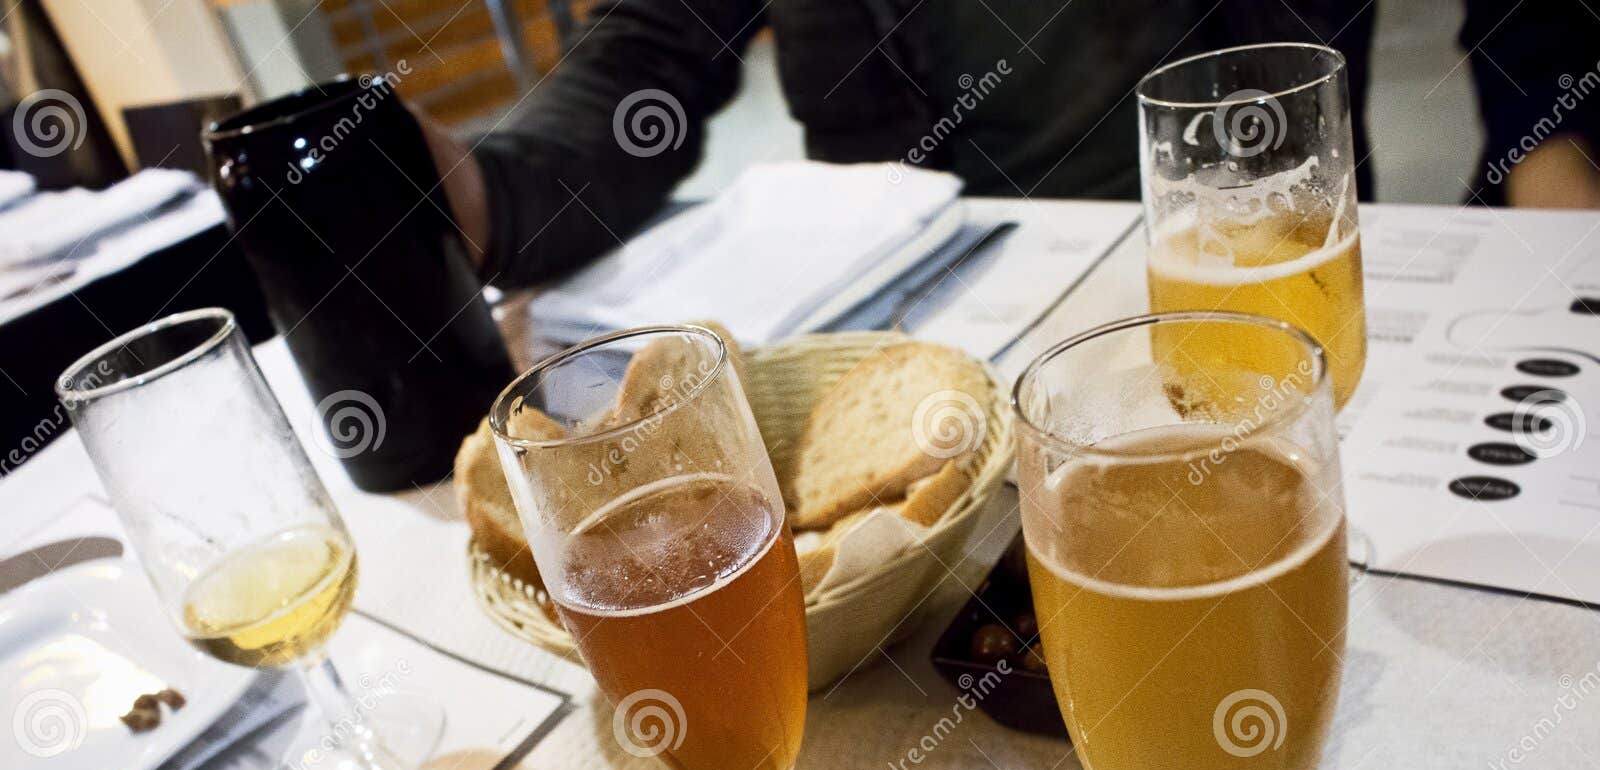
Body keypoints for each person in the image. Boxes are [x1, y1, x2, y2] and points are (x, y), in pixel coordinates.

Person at [419, 0, 1598, 290]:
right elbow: (653, 46)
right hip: (921, 317)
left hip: (1248, 277)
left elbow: (1536, 42)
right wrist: (498, 190)